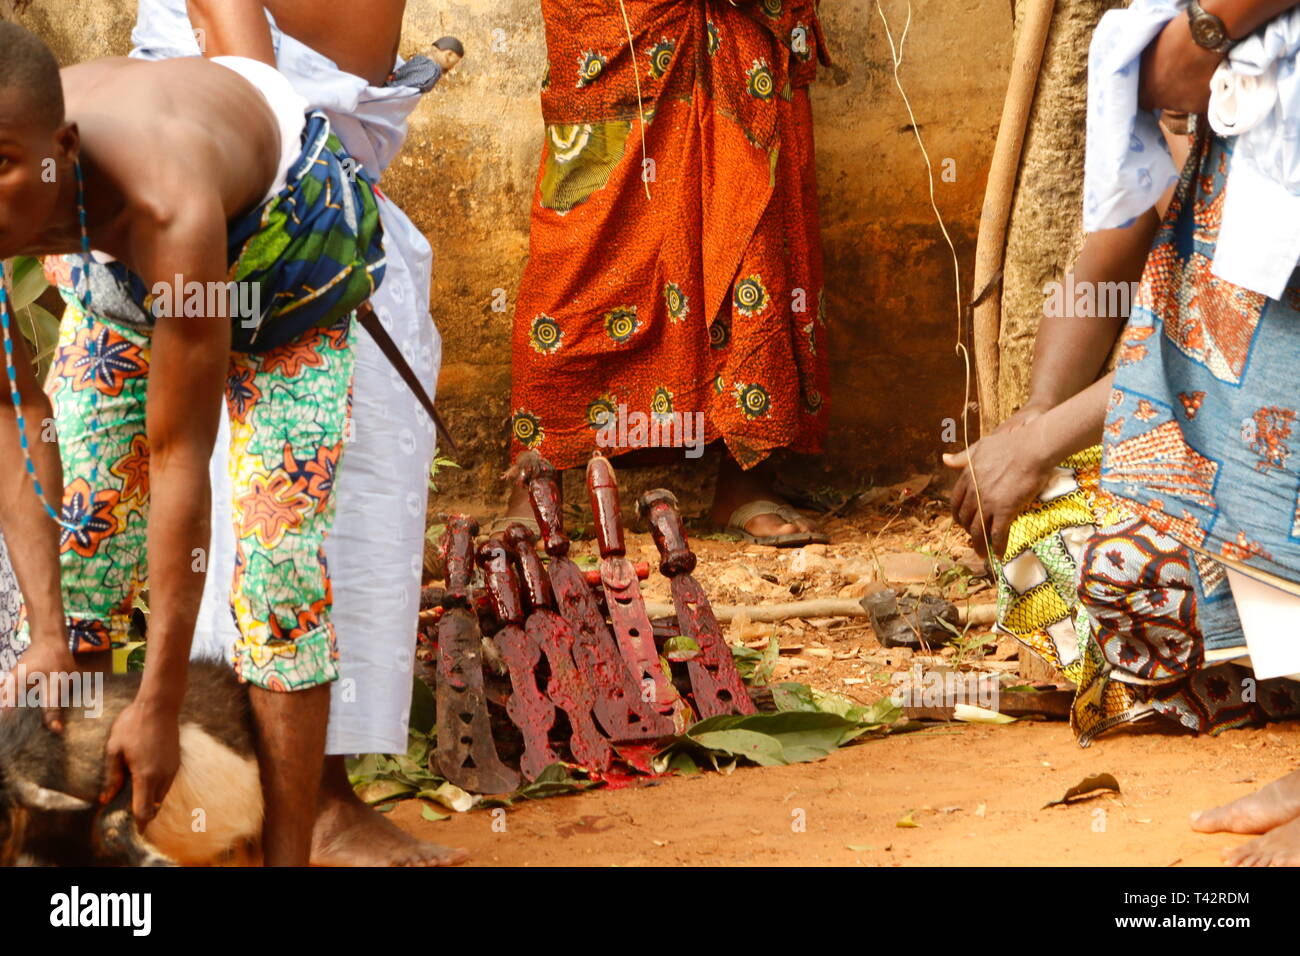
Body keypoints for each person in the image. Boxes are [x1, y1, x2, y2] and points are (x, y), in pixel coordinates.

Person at [0, 6, 383, 865]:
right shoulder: (37, 187)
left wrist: (163, 699)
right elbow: (13, 411)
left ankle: (287, 854)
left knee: (279, 575)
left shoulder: (167, 198)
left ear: (58, 147)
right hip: (117, 271)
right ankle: (81, 862)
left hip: (282, 270)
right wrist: (46, 626)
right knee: (80, 548)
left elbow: (182, 455)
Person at [127, 0, 464, 865]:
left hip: (324, 187)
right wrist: (296, 198)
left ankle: (316, 800)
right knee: (251, 520)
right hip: (265, 205)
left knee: (346, 490)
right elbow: (252, 82)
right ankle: (243, 802)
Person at [501, 0, 832, 547]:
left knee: (750, 224)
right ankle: (535, 480)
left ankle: (744, 481)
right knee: (581, 246)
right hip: (617, 22)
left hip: (744, 29)